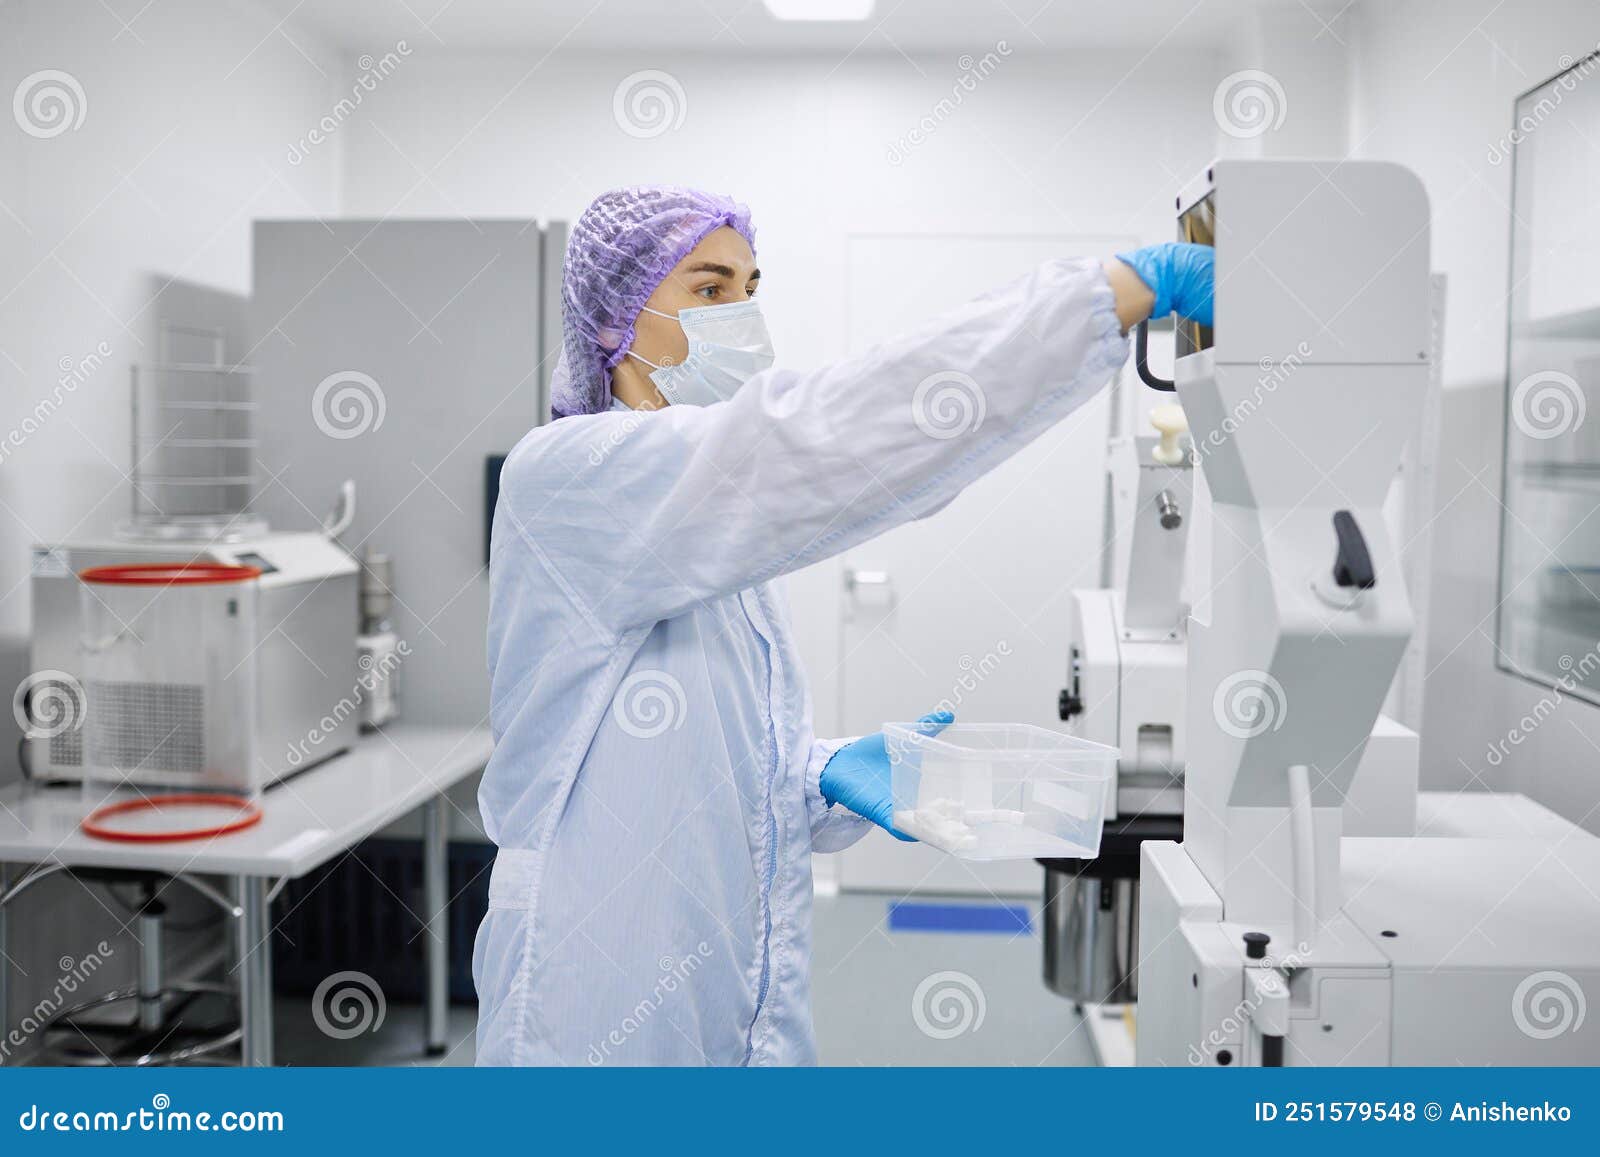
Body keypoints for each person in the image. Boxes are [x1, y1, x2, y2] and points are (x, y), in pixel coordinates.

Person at [474, 185, 1212, 1066]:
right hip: (599, 984)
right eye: (709, 291)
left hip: (709, 973)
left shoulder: (700, 533)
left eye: (750, 290)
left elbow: (687, 757)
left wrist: (819, 770)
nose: (741, 317)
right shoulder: (570, 478)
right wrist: (1115, 292)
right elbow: (832, 435)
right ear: (610, 324)